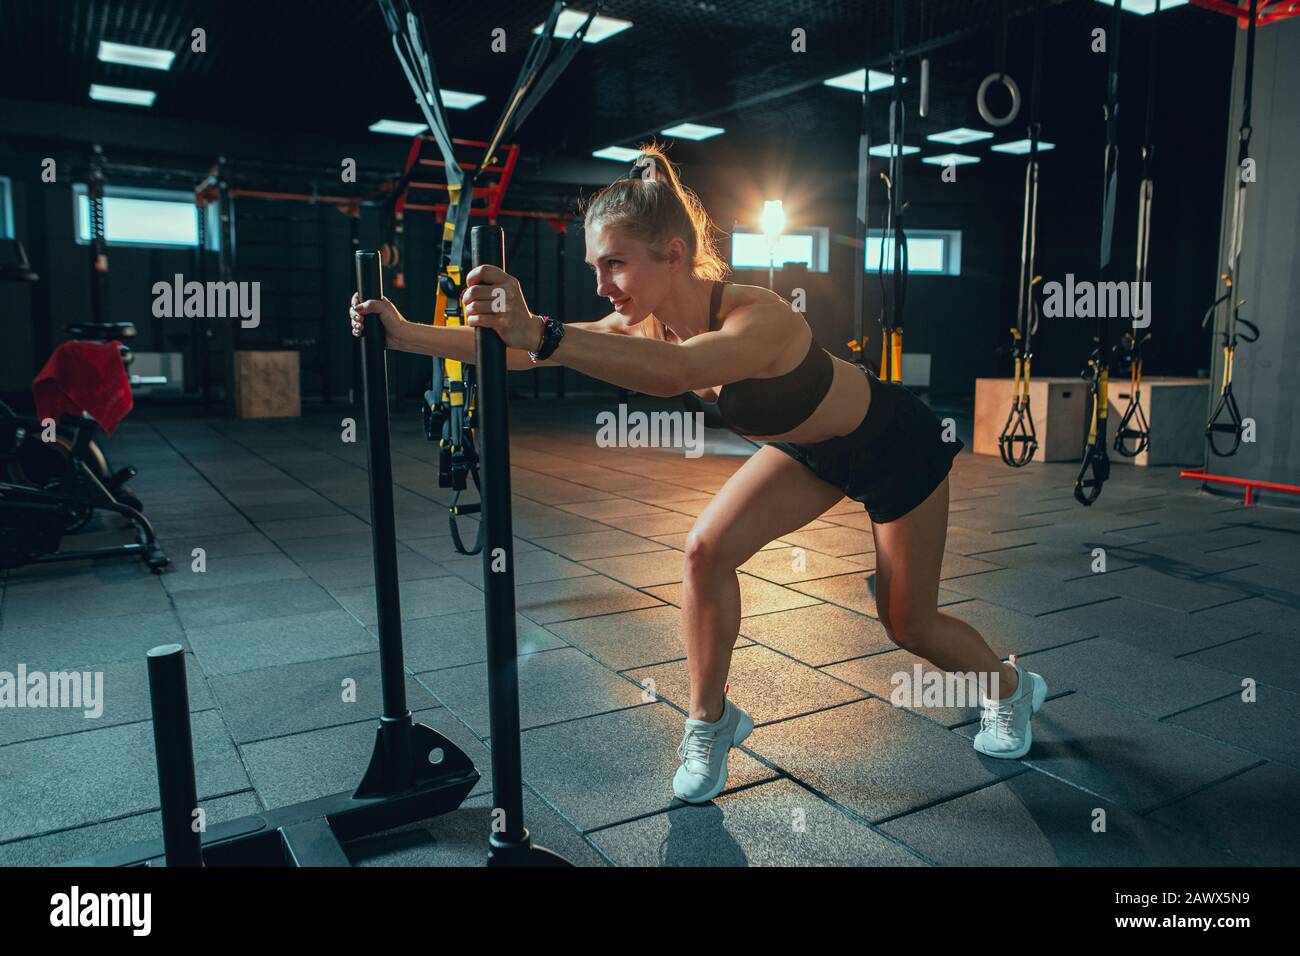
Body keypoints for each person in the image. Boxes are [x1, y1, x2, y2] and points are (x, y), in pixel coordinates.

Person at [349, 143, 1047, 805]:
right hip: (810, 454)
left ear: (674, 254)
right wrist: (405, 333)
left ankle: (1010, 689)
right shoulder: (647, 323)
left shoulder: (759, 316)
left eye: (616, 264)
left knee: (909, 625)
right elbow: (528, 352)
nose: (602, 284)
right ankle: (711, 722)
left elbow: (679, 373)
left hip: (895, 447)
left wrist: (543, 331)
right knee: (704, 552)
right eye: (596, 266)